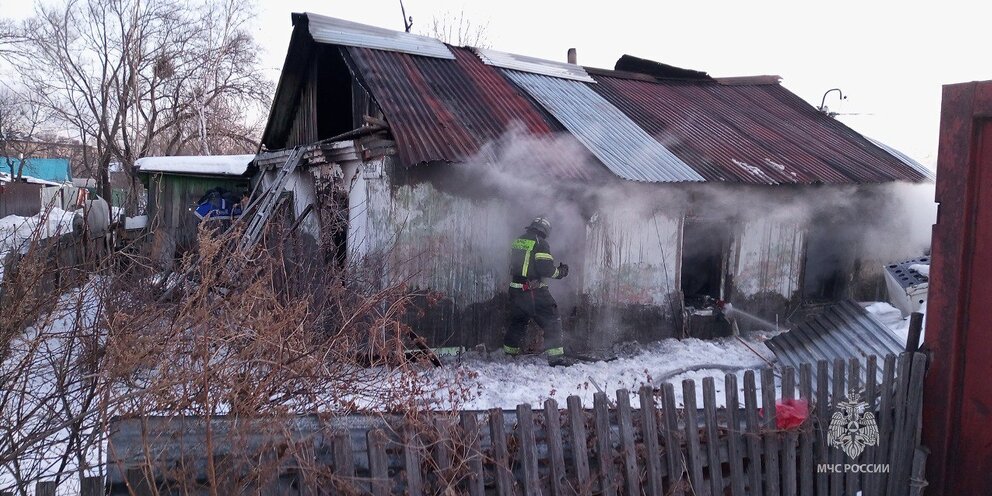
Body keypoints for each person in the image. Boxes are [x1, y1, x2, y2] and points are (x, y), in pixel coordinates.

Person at [503, 217, 572, 366]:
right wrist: (561, 272)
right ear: (545, 230)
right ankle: (556, 359)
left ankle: (509, 355)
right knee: (552, 320)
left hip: (515, 289)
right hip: (533, 291)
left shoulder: (518, 240)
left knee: (518, 322)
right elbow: (545, 269)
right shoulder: (540, 243)